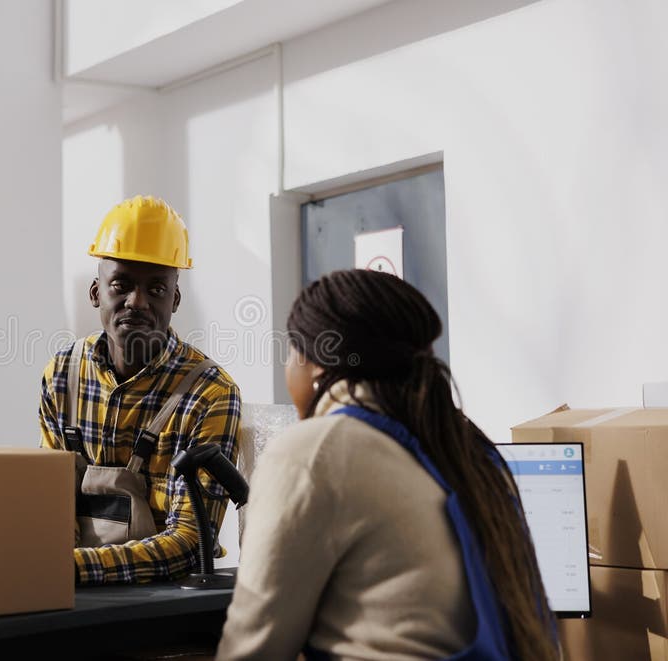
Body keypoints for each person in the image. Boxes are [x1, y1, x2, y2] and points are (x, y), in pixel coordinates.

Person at [217, 269, 558, 660]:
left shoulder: (315, 449)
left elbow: (253, 648)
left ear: (313, 364)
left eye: (291, 352)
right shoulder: (472, 451)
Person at [39, 195, 242, 586]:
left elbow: (190, 539)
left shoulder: (209, 394)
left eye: (156, 289)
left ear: (175, 299)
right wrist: (56, 569)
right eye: (122, 285)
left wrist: (72, 568)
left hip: (165, 603)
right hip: (70, 589)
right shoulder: (61, 376)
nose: (137, 302)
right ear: (97, 293)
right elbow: (52, 504)